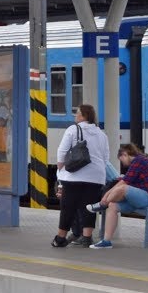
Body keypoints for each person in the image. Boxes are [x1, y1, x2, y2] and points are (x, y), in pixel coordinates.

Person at [52, 104, 109, 248]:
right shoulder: (101, 134)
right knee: (89, 207)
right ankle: (87, 238)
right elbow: (105, 158)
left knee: (68, 206)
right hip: (96, 176)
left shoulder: (73, 129)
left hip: (74, 175)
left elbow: (62, 151)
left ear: (84, 115)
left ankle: (60, 238)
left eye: (77, 113)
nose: (75, 115)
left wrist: (60, 168)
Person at [86, 145, 148, 248]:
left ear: (125, 154)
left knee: (123, 188)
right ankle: (106, 242)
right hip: (138, 199)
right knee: (112, 206)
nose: (123, 164)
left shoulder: (140, 160)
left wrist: (105, 196)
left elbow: (124, 182)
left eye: (121, 160)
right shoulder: (137, 163)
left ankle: (102, 205)